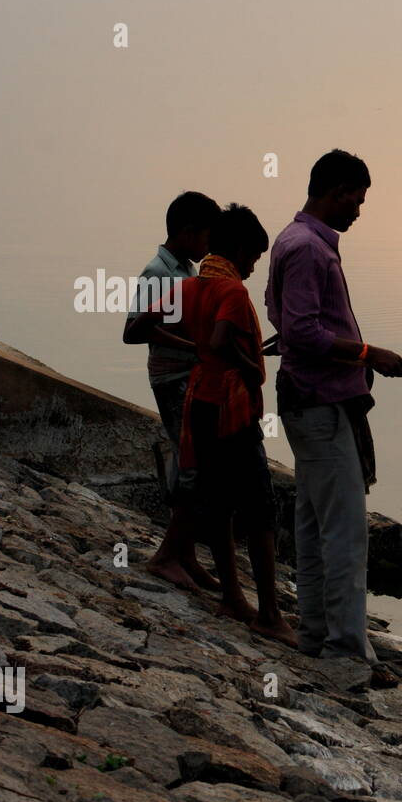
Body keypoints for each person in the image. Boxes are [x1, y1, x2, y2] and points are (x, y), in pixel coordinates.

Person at [265, 149, 402, 687]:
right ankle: (346, 654)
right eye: (356, 198)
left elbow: (280, 311)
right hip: (319, 405)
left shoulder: (292, 240)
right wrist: (369, 353)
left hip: (311, 402)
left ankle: (316, 636)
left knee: (313, 525)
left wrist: (351, 352)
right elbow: (301, 332)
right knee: (345, 533)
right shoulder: (307, 248)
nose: (358, 210)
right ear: (335, 189)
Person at [131, 204, 295, 646]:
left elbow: (140, 326)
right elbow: (222, 340)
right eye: (254, 259)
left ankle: (232, 599)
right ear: (240, 250)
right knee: (260, 508)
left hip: (198, 401)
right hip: (230, 407)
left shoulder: (189, 285)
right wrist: (250, 363)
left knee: (219, 501)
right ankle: (270, 614)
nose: (253, 267)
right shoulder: (231, 291)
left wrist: (203, 347)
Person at [122, 191, 221, 592]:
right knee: (195, 466)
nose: (209, 247)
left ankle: (186, 557)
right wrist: (191, 348)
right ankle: (166, 557)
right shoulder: (159, 274)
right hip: (172, 378)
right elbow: (134, 331)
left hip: (189, 374)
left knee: (190, 461)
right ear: (187, 232)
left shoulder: (183, 271)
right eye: (206, 238)